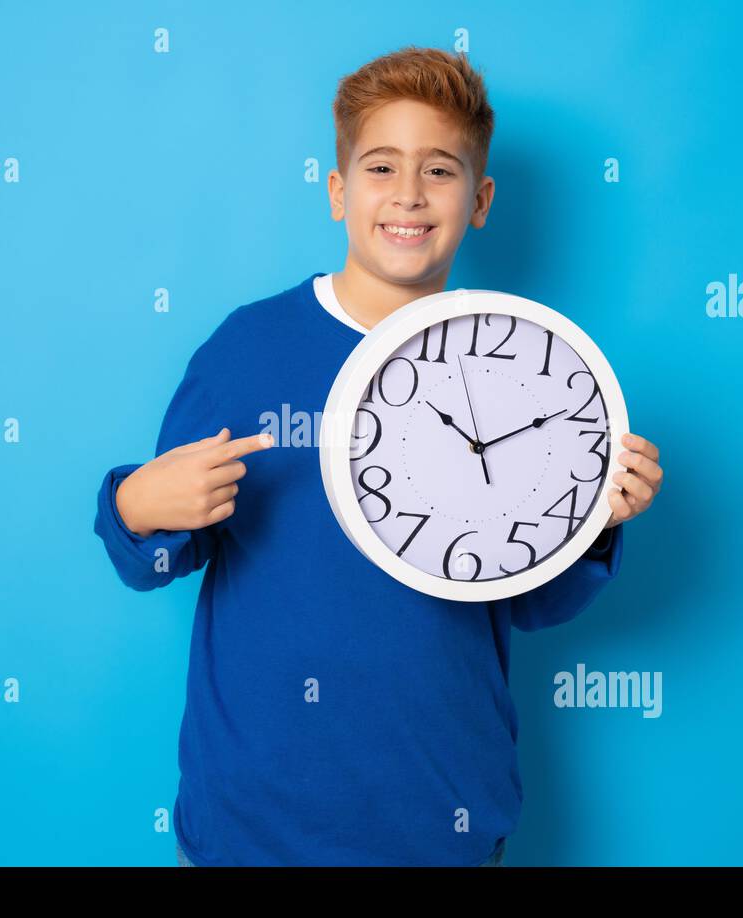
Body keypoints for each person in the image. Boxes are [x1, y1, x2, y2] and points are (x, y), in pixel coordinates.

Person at [94, 46, 664, 866]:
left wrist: (598, 524)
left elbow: (535, 603)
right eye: (381, 167)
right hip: (254, 826)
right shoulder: (246, 351)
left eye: (439, 170)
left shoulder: (530, 374)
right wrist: (135, 507)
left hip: (441, 818)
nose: (407, 194)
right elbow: (154, 555)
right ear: (337, 191)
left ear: (480, 200)